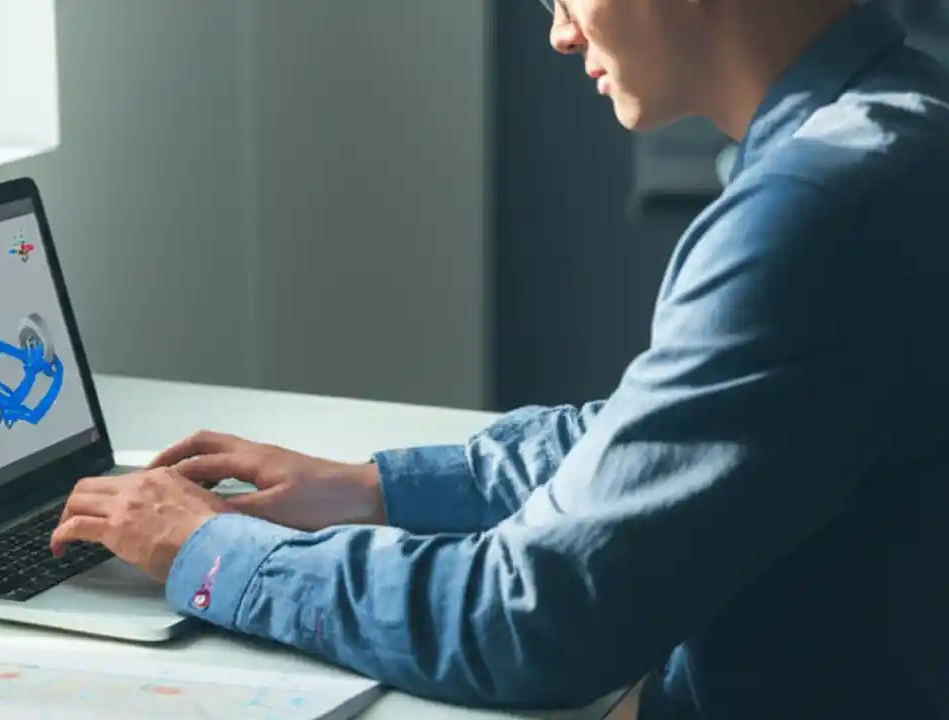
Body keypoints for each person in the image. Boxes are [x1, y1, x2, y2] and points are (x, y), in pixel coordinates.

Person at [49, 0, 949, 717]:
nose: (560, 33)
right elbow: (659, 437)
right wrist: (374, 490)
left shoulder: (813, 215)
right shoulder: (901, 133)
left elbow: (534, 620)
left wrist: (210, 550)